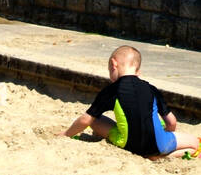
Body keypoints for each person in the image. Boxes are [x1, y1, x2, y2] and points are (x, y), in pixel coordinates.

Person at [60, 45, 199, 160]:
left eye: (109, 70)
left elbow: (85, 120)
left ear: (114, 64)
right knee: (194, 143)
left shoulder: (111, 90)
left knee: (94, 120)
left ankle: (153, 153)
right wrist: (166, 137)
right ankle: (162, 156)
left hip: (127, 144)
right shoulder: (151, 89)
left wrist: (66, 134)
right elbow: (172, 122)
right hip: (157, 145)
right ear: (138, 71)